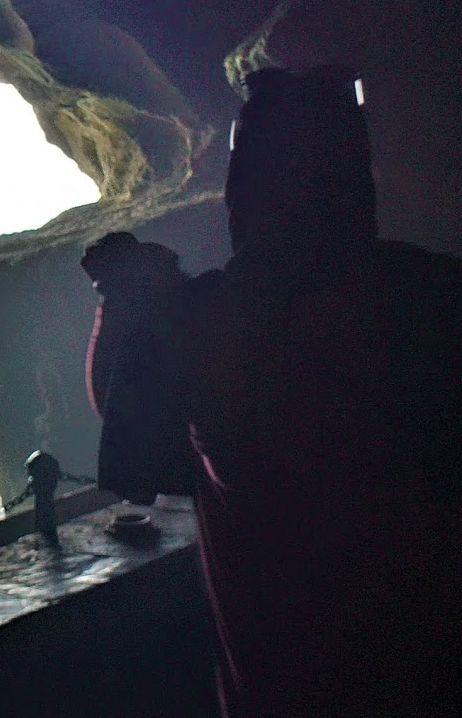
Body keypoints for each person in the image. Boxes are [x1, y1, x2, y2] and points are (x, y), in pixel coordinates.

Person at [81, 66, 462, 716]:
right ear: (357, 173)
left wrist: (124, 307)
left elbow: (134, 457)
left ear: (242, 189)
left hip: (274, 687)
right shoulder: (432, 295)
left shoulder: (195, 319)